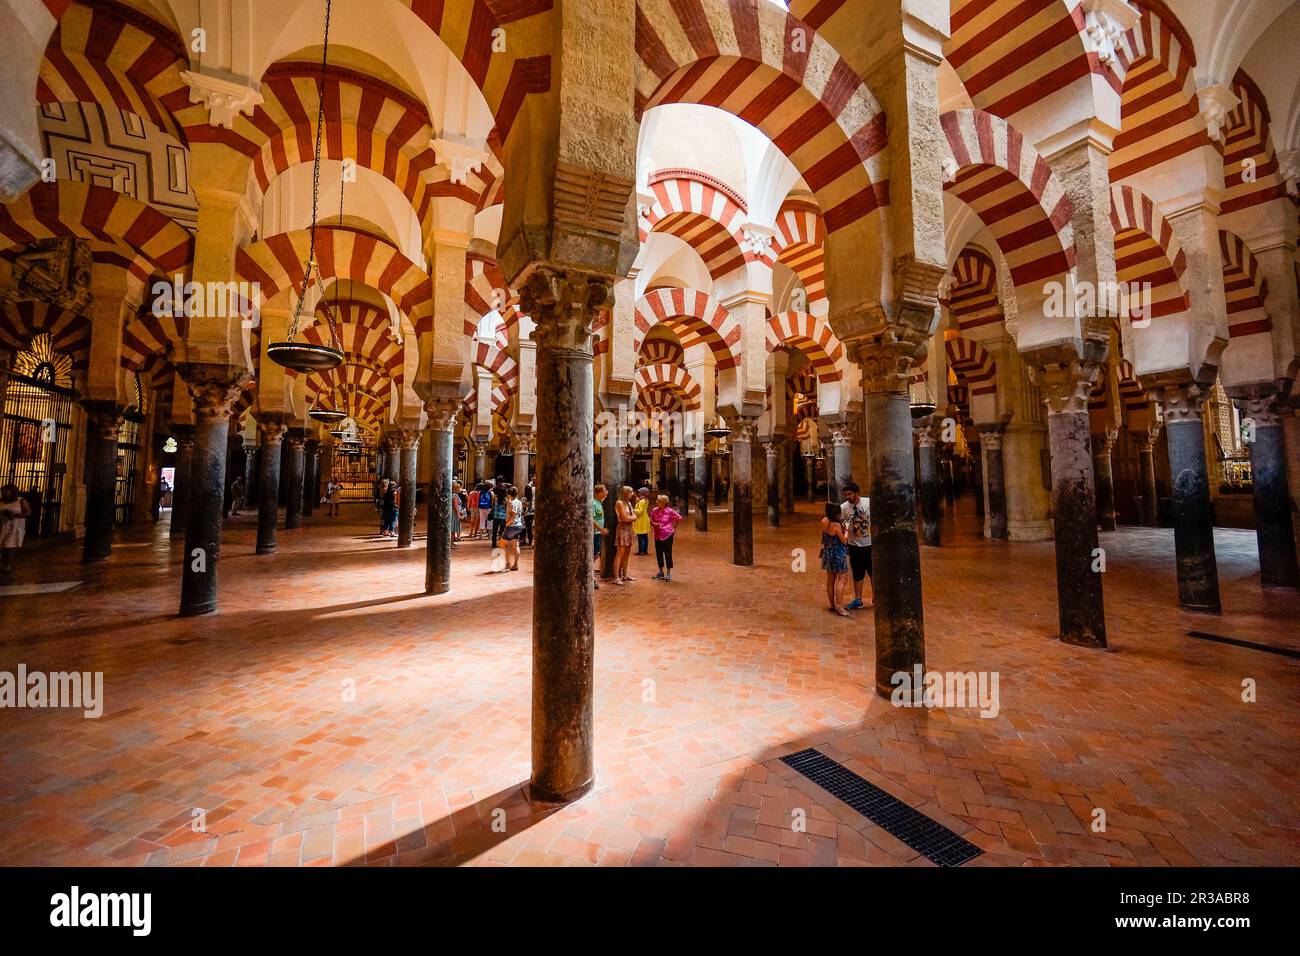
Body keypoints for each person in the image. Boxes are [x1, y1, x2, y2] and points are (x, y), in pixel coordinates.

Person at [840, 481, 874, 610]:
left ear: (857, 493)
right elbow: (841, 524)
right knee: (857, 573)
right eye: (846, 494)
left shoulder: (868, 503)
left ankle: (876, 597)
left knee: (873, 573)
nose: (847, 497)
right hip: (854, 546)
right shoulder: (844, 507)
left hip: (870, 544)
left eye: (850, 494)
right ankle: (858, 599)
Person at [820, 502, 851, 617]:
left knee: (830, 580)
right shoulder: (836, 525)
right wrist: (847, 529)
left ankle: (832, 605)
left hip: (828, 552)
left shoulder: (824, 521)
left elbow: (824, 536)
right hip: (838, 554)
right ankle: (839, 606)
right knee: (842, 580)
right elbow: (844, 541)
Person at [649, 494, 683, 581]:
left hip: (667, 535)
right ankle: (660, 572)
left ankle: (668, 573)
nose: (656, 501)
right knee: (658, 553)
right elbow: (651, 521)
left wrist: (673, 529)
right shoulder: (654, 510)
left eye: (658, 500)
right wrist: (654, 524)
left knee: (668, 553)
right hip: (657, 535)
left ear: (664, 502)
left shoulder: (670, 511)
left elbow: (679, 518)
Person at [0, 484, 32, 574]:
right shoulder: (2, 502)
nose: (4, 493)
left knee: (10, 546)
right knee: (3, 546)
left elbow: (28, 512)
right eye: (3, 491)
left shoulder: (20, 501)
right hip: (3, 525)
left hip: (15, 526)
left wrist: (15, 515)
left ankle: (8, 565)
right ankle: (4, 563)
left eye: (6, 491)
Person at [613, 485, 636, 585]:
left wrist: (631, 517)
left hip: (629, 528)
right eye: (630, 492)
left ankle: (625, 574)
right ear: (625, 493)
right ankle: (616, 577)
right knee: (620, 553)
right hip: (622, 528)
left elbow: (633, 515)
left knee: (627, 552)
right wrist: (632, 517)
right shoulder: (619, 503)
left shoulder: (629, 502)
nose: (632, 494)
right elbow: (625, 518)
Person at [501, 485, 525, 570]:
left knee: (503, 544)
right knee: (516, 545)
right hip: (518, 525)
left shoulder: (512, 503)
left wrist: (507, 524)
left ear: (510, 494)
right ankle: (515, 564)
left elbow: (513, 515)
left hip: (512, 525)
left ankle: (508, 563)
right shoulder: (519, 502)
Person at [592, 484, 608, 590]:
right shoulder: (593, 503)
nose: (606, 492)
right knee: (594, 555)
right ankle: (589, 577)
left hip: (598, 533)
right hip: (595, 533)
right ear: (599, 492)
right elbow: (591, 519)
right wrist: (601, 529)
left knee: (596, 554)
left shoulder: (599, 502)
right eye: (605, 490)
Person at [633, 486, 651, 556]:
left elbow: (640, 511)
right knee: (645, 536)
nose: (639, 493)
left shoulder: (642, 501)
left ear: (642, 493)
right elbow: (639, 502)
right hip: (645, 519)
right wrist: (635, 497)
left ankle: (640, 551)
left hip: (641, 520)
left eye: (640, 492)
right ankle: (645, 550)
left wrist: (632, 509)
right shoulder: (646, 500)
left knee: (640, 536)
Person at [490, 482, 508, 548]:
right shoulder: (506, 499)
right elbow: (507, 508)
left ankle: (493, 543)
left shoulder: (495, 497)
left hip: (496, 516)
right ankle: (502, 543)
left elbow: (492, 505)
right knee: (502, 531)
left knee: (494, 531)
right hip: (503, 517)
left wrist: (495, 509)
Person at [450, 480, 465, 546]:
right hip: (454, 514)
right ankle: (450, 543)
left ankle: (451, 542)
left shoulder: (451, 494)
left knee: (452, 529)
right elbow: (455, 506)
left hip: (453, 513)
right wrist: (458, 515)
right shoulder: (455, 495)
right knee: (453, 529)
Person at [523, 480, 535, 547]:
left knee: (528, 528)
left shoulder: (524, 499)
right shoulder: (533, 498)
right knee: (533, 528)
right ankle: (532, 542)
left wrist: (524, 512)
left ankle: (530, 541)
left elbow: (524, 507)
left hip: (527, 514)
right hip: (533, 513)